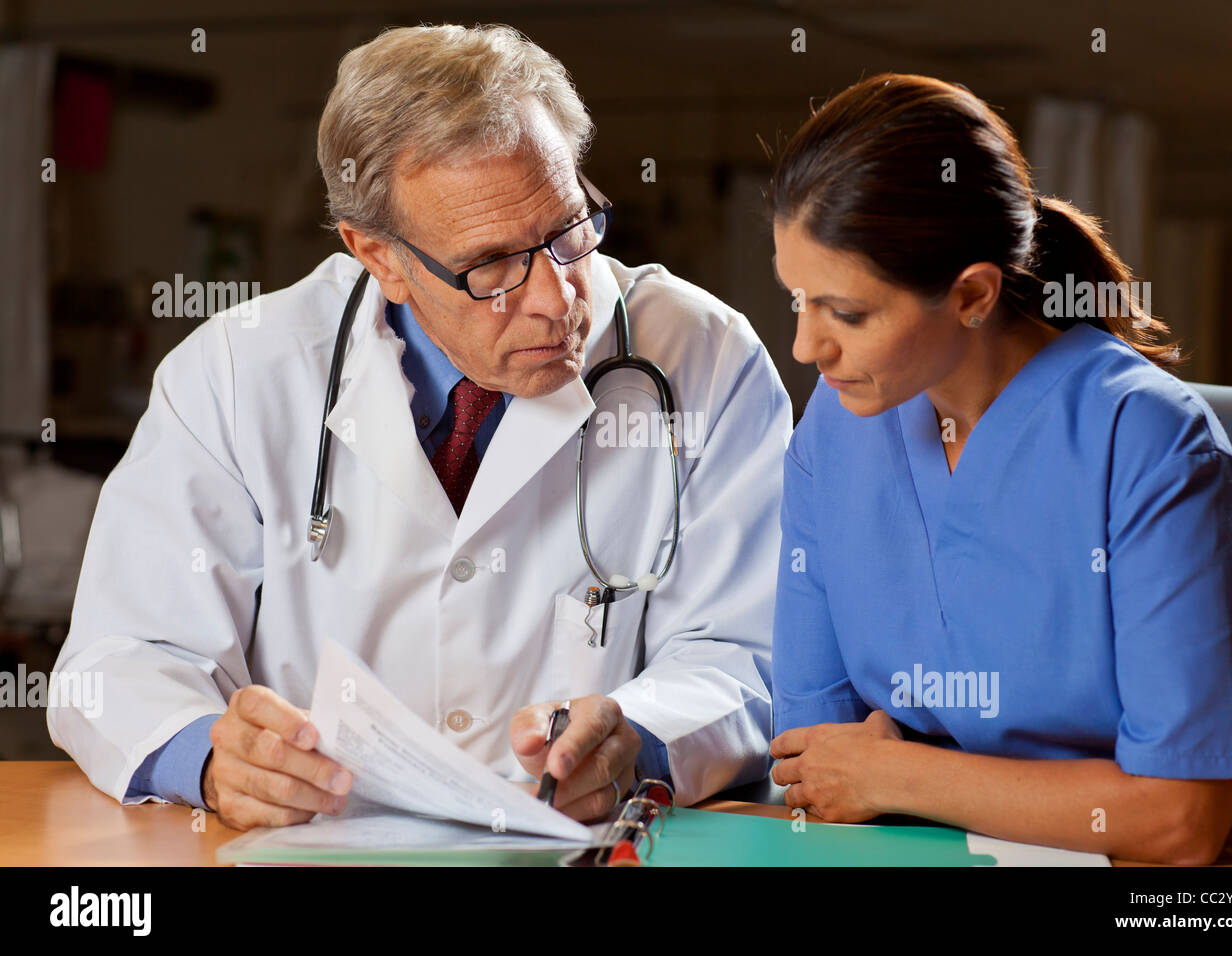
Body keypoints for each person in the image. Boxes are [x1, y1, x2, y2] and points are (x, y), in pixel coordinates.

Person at [48, 23, 791, 830]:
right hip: (319, 846)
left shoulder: (705, 357)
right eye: (494, 265)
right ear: (380, 256)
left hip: (580, 842)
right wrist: (211, 756)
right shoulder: (236, 372)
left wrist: (638, 743)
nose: (558, 297)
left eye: (569, 232)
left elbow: (744, 651)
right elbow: (120, 658)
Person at [767, 73, 1232, 864]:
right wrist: (1087, 796)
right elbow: (812, 771)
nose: (808, 347)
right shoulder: (836, 431)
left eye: (847, 313)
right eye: (798, 301)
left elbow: (1175, 825)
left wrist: (898, 773)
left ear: (973, 295)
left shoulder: (1146, 438)